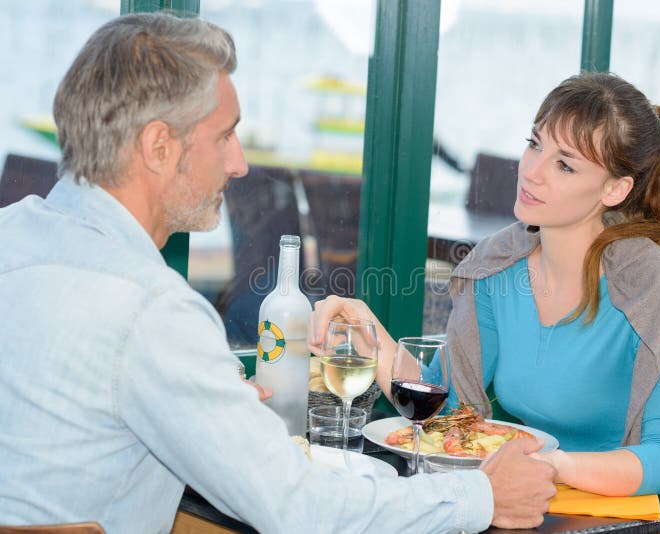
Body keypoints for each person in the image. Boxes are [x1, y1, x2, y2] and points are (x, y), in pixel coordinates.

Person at [0, 12, 556, 533]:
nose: (239, 163)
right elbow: (297, 509)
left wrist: (205, 394)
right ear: (158, 147)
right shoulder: (151, 311)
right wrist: (481, 497)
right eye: (225, 135)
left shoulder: (11, 233)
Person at [310, 72, 660, 497]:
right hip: (526, 503)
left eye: (564, 164)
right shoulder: (497, 266)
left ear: (615, 189)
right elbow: (448, 411)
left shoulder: (649, 282)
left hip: (613, 512)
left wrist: (552, 466)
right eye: (534, 144)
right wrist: (371, 337)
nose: (531, 172)